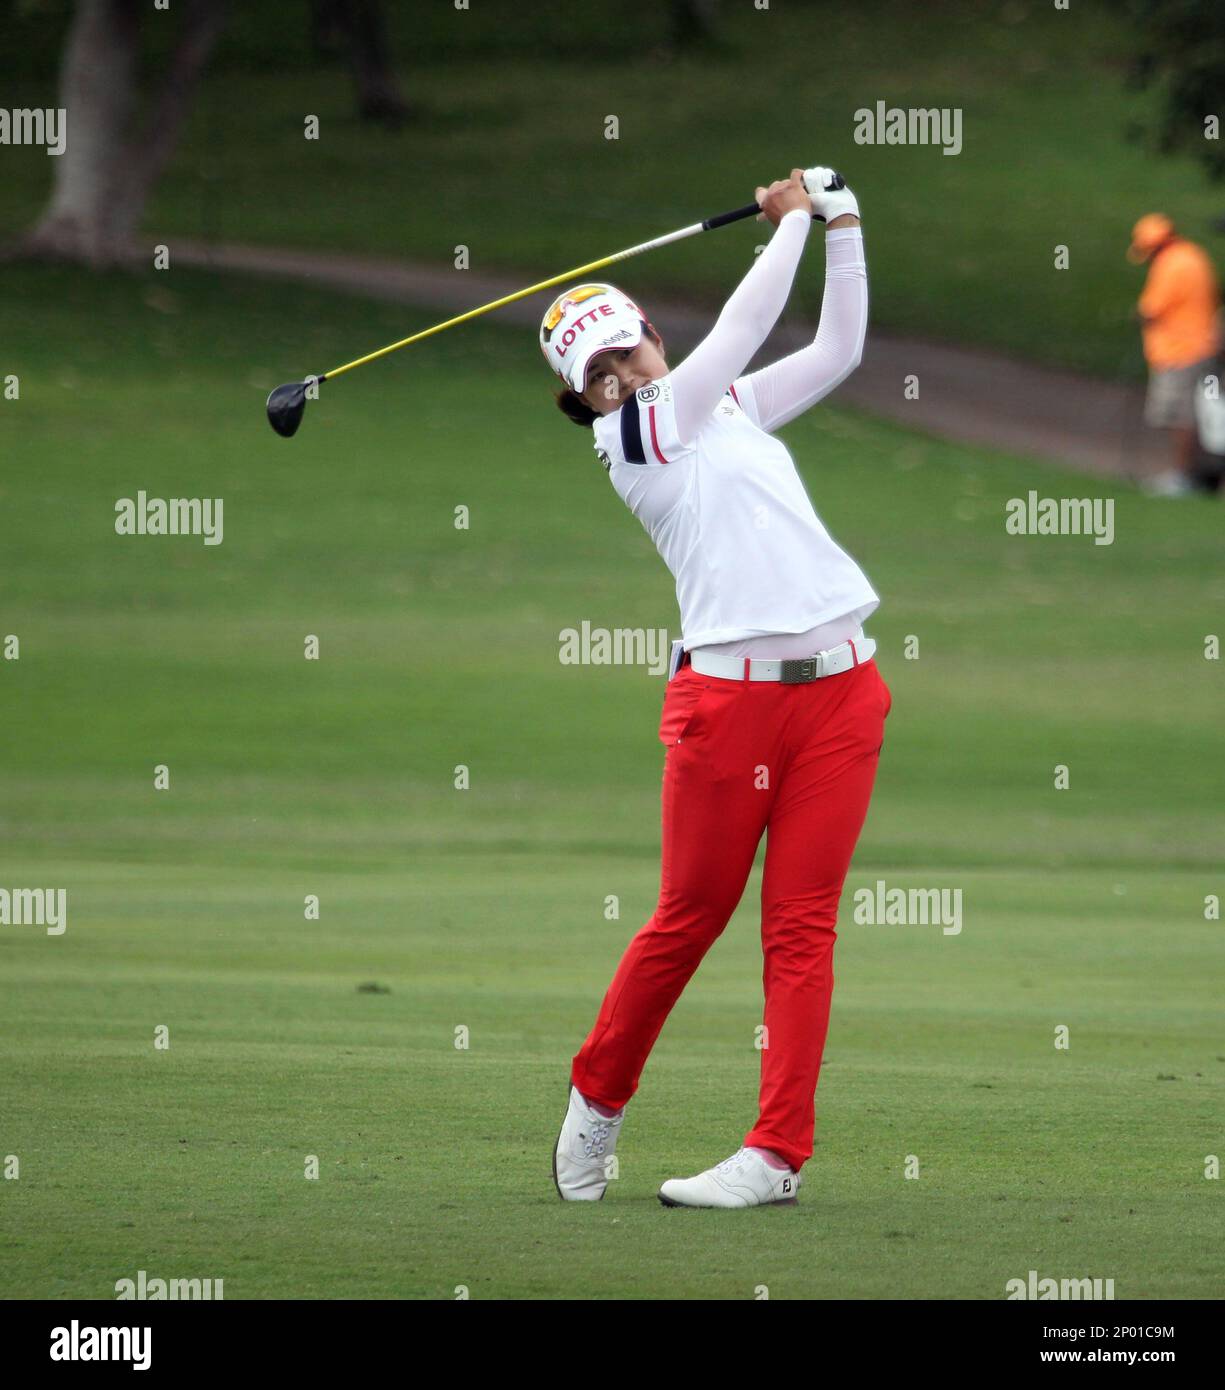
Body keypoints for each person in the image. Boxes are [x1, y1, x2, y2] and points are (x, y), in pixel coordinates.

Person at [541, 168, 892, 1208]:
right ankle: (596, 1100)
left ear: (650, 330)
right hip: (725, 707)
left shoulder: (728, 406)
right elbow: (736, 332)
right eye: (596, 374)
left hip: (842, 693)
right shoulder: (636, 437)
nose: (618, 376)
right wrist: (783, 228)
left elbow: (838, 350)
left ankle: (775, 1153)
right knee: (689, 915)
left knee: (801, 926)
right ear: (584, 402)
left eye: (626, 350)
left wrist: (841, 223)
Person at [1128, 213, 1222, 496]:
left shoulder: (1171, 265)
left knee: (1181, 415)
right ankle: (1201, 476)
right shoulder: (1194, 256)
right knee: (1200, 415)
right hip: (1200, 346)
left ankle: (1184, 476)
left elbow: (1150, 310)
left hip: (1181, 351)